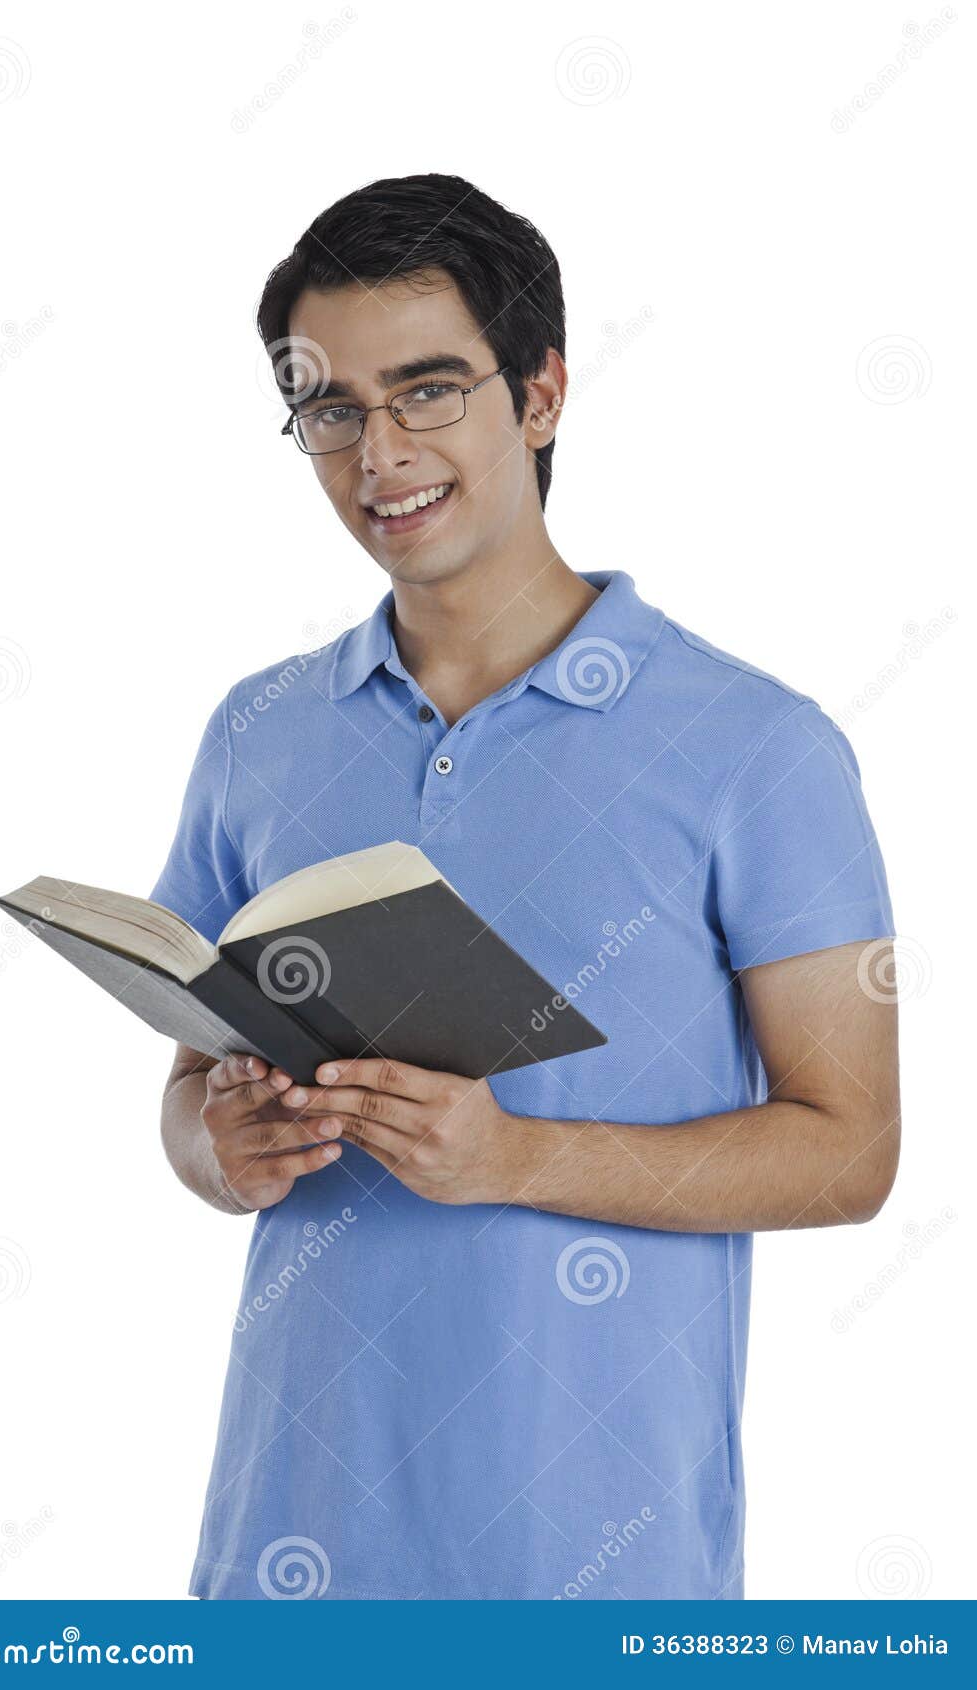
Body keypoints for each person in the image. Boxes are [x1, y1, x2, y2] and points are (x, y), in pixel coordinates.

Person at [152, 173, 899, 1601]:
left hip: (597, 1580)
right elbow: (189, 1094)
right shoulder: (259, 732)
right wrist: (220, 1146)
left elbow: (852, 1151)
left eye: (428, 389)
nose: (380, 451)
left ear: (542, 393)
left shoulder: (758, 745)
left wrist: (516, 1157)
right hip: (281, 1565)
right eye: (330, 406)